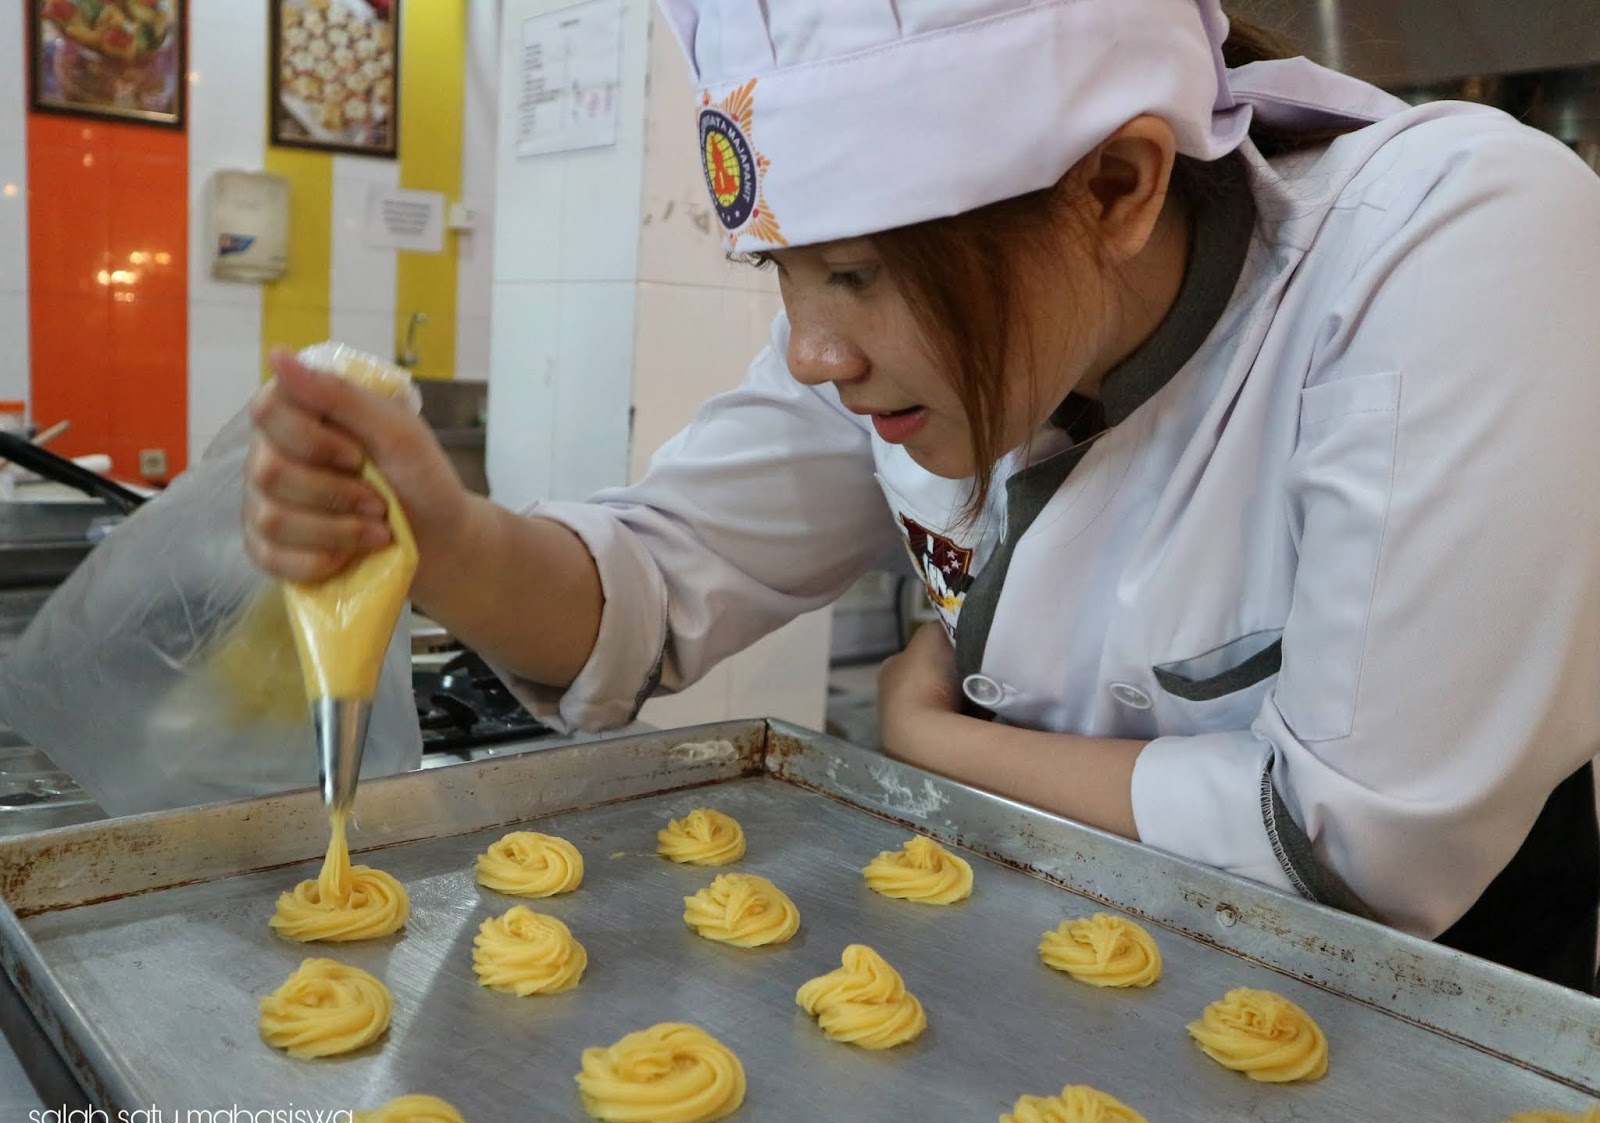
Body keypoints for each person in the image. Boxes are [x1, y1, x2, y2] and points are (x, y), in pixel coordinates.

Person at [242, 0, 1600, 992]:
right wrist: (442, 535)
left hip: (1420, 1038)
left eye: (858, 274)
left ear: (1116, 185)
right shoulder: (915, 348)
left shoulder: (1446, 247)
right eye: (780, 273)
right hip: (1070, 983)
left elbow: (1359, 855)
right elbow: (641, 598)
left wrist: (938, 742)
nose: (815, 352)